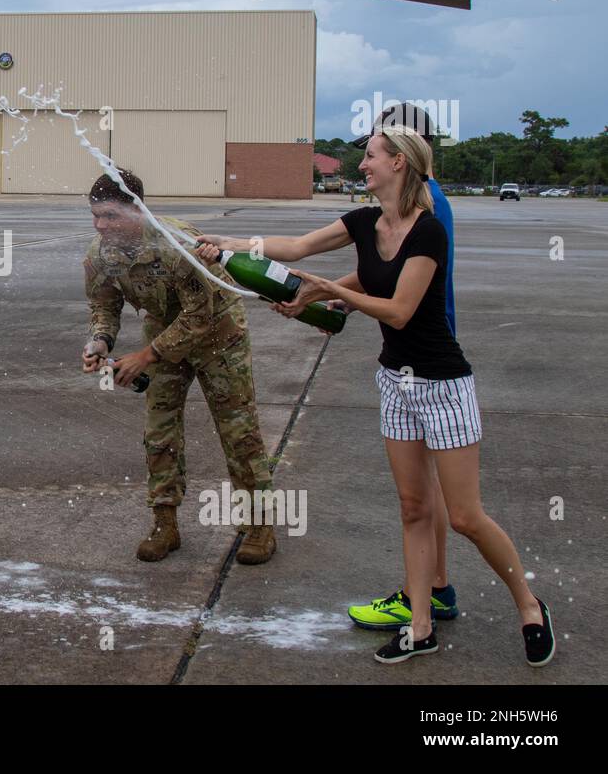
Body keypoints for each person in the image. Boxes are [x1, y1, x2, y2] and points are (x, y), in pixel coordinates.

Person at [195, 124, 554, 666]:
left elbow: (400, 311)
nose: (361, 165)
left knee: (463, 515)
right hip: (395, 380)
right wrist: (231, 245)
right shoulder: (364, 222)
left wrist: (328, 290)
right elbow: (297, 247)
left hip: (443, 383)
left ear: (399, 164)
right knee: (413, 507)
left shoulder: (428, 231)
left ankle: (529, 605)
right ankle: (420, 624)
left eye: (369, 157)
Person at [82, 169, 276, 565]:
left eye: (111, 216)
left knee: (238, 431)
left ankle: (258, 526)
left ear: (137, 209)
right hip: (163, 334)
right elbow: (104, 306)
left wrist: (145, 357)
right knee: (159, 431)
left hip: (219, 336)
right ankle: (164, 523)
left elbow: (200, 316)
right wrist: (100, 342)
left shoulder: (178, 243)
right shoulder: (99, 255)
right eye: (95, 215)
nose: (101, 225)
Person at [346, 104, 460, 631]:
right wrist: (331, 292)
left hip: (427, 358)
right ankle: (432, 591)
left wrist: (327, 291)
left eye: (375, 144)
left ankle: (434, 591)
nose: (366, 153)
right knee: (424, 491)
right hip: (418, 352)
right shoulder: (423, 197)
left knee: (434, 498)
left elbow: (397, 290)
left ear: (403, 151)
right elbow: (377, 268)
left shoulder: (423, 205)